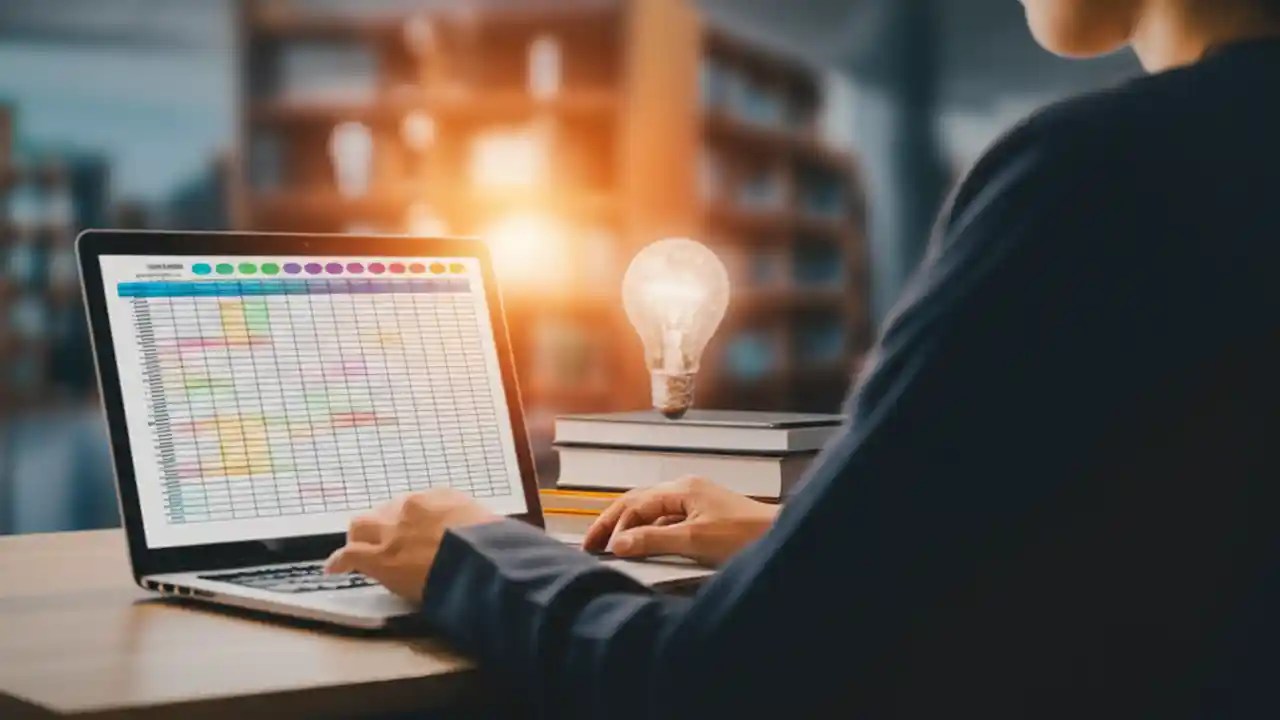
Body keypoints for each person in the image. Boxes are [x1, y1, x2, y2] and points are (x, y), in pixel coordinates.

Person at [326, 1, 1280, 716]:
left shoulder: (1100, 181)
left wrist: (469, 553)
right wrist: (815, 548)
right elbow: (1165, 577)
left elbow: (718, 686)